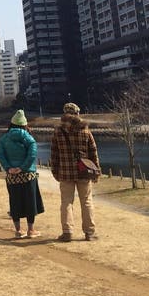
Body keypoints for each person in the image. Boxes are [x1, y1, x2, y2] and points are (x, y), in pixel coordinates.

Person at [50, 102, 101, 242]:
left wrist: (55, 172)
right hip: (84, 171)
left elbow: (54, 155)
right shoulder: (85, 131)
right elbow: (93, 153)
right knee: (87, 201)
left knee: (66, 202)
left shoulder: (58, 132)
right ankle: (89, 232)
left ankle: (67, 232)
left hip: (65, 172)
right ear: (78, 113)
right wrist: (96, 171)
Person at [0, 109, 44, 239]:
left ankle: (18, 231)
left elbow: (0, 154)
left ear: (11, 124)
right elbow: (32, 155)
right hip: (28, 175)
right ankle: (31, 230)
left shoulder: (3, 139)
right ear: (24, 124)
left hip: (12, 176)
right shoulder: (29, 138)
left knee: (14, 201)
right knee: (30, 201)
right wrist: (23, 168)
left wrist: (8, 168)